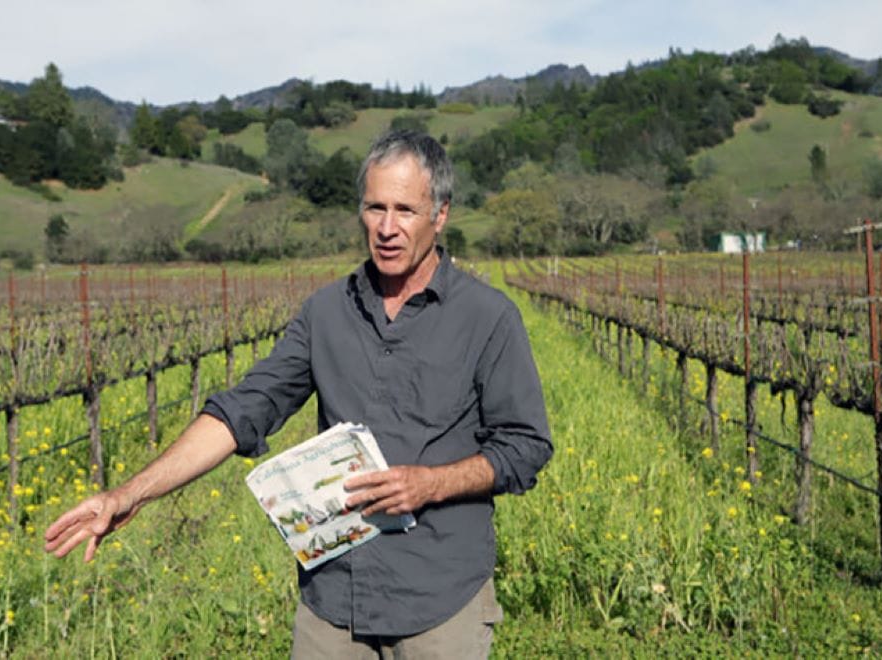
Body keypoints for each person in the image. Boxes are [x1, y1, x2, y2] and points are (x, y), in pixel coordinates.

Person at [44, 130, 552, 658]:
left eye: (405, 210)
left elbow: (526, 446)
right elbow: (243, 410)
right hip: (333, 598)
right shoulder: (326, 312)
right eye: (374, 208)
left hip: (439, 596)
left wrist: (430, 484)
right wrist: (128, 494)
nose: (386, 228)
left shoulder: (488, 317)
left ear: (440, 215)